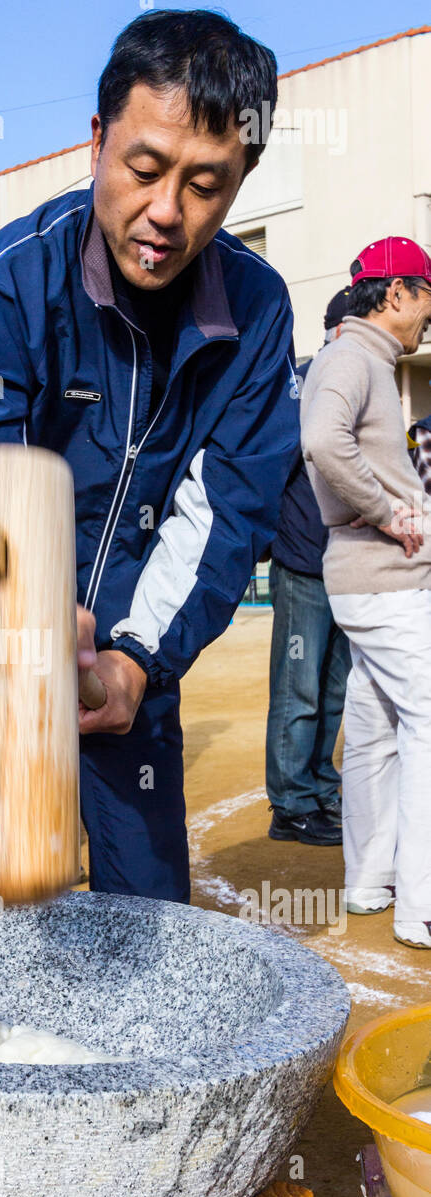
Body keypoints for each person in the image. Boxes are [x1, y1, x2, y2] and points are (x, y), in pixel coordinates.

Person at [0, 10, 299, 902]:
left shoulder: (258, 310)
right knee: (1, 894)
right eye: (145, 168)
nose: (166, 212)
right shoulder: (3, 285)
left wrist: (130, 661)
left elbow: (225, 505)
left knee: (148, 910)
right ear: (96, 141)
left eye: (206, 184)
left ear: (245, 174)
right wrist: (26, 631)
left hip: (132, 652)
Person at [302, 236, 431, 948]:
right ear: (397, 294)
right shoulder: (354, 356)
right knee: (427, 724)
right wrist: (388, 513)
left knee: (378, 730)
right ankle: (423, 905)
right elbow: (323, 441)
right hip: (384, 579)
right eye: (425, 300)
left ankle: (369, 880)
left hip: (366, 579)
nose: (427, 318)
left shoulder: (360, 357)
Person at [266, 288, 352, 847]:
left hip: (346, 565)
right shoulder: (302, 382)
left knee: (334, 689)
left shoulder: (353, 381)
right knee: (298, 690)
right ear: (341, 329)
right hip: (302, 561)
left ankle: (319, 784)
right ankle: (291, 804)